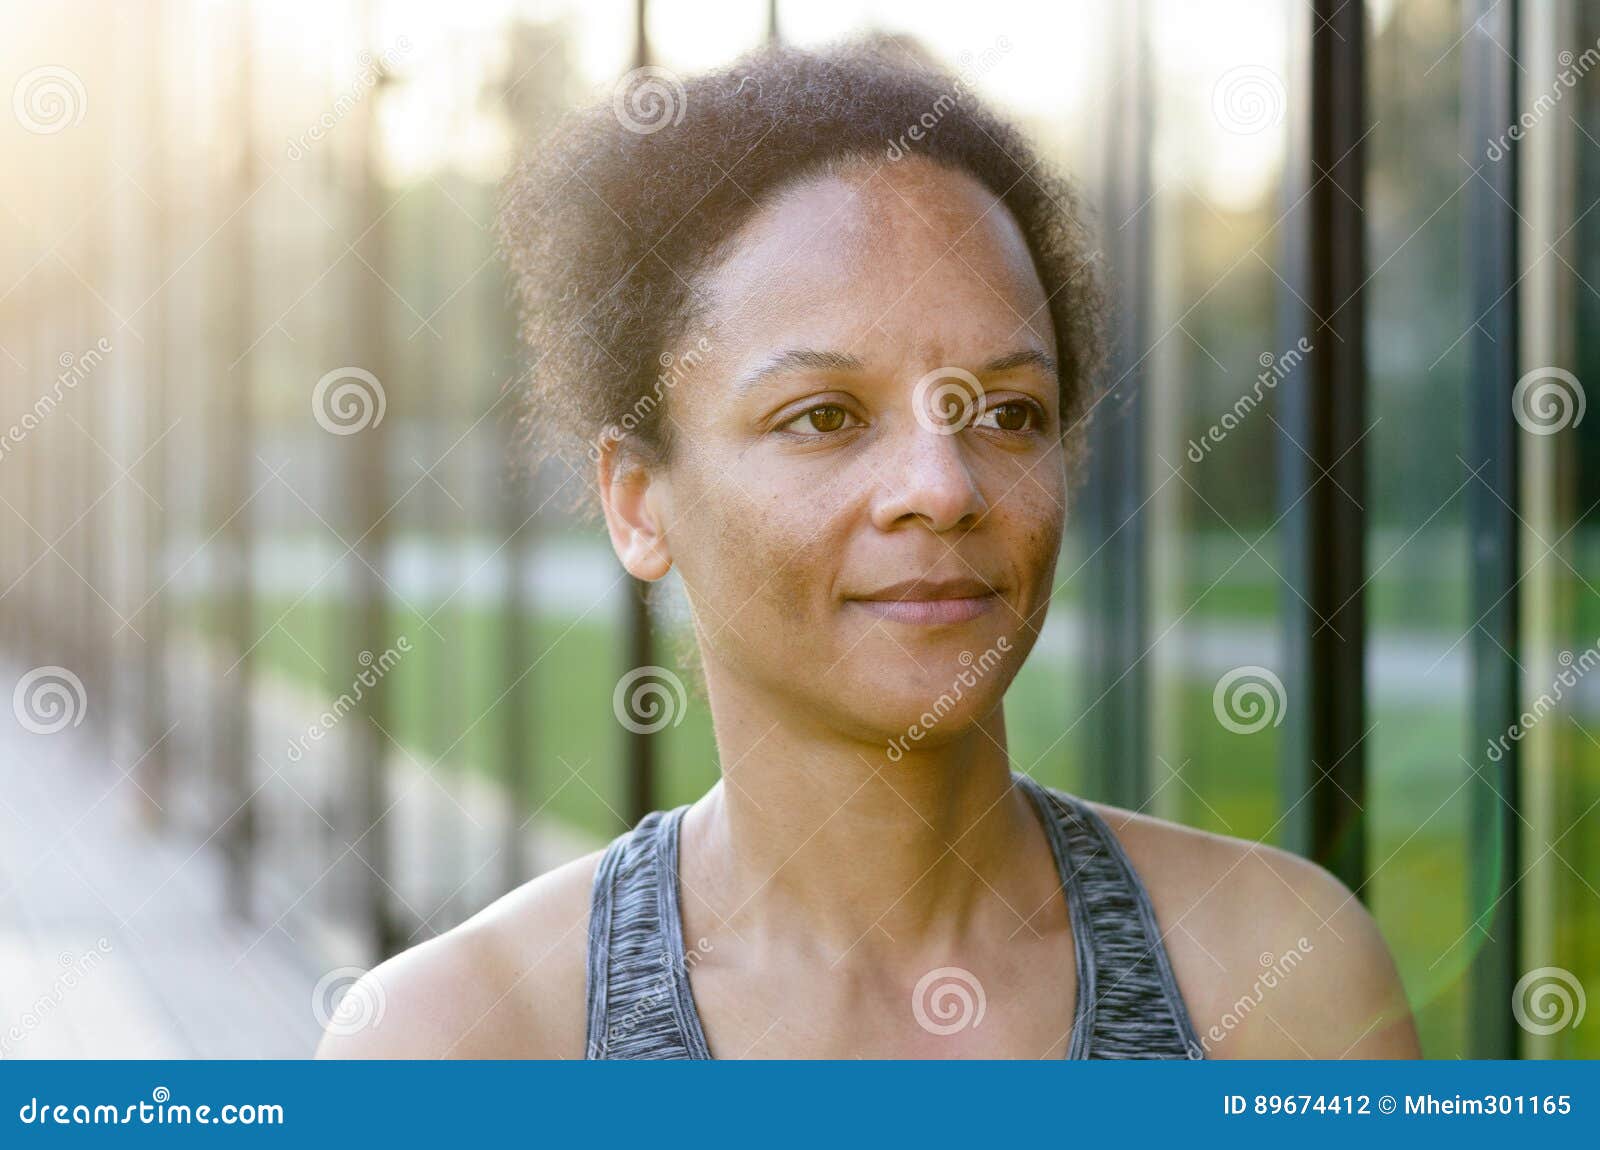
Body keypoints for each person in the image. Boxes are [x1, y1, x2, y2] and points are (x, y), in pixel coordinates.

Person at [317, 36, 1419, 1060]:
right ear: (638, 502)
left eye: (1007, 411)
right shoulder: (456, 1044)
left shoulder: (1285, 980)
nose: (943, 487)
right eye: (825, 416)